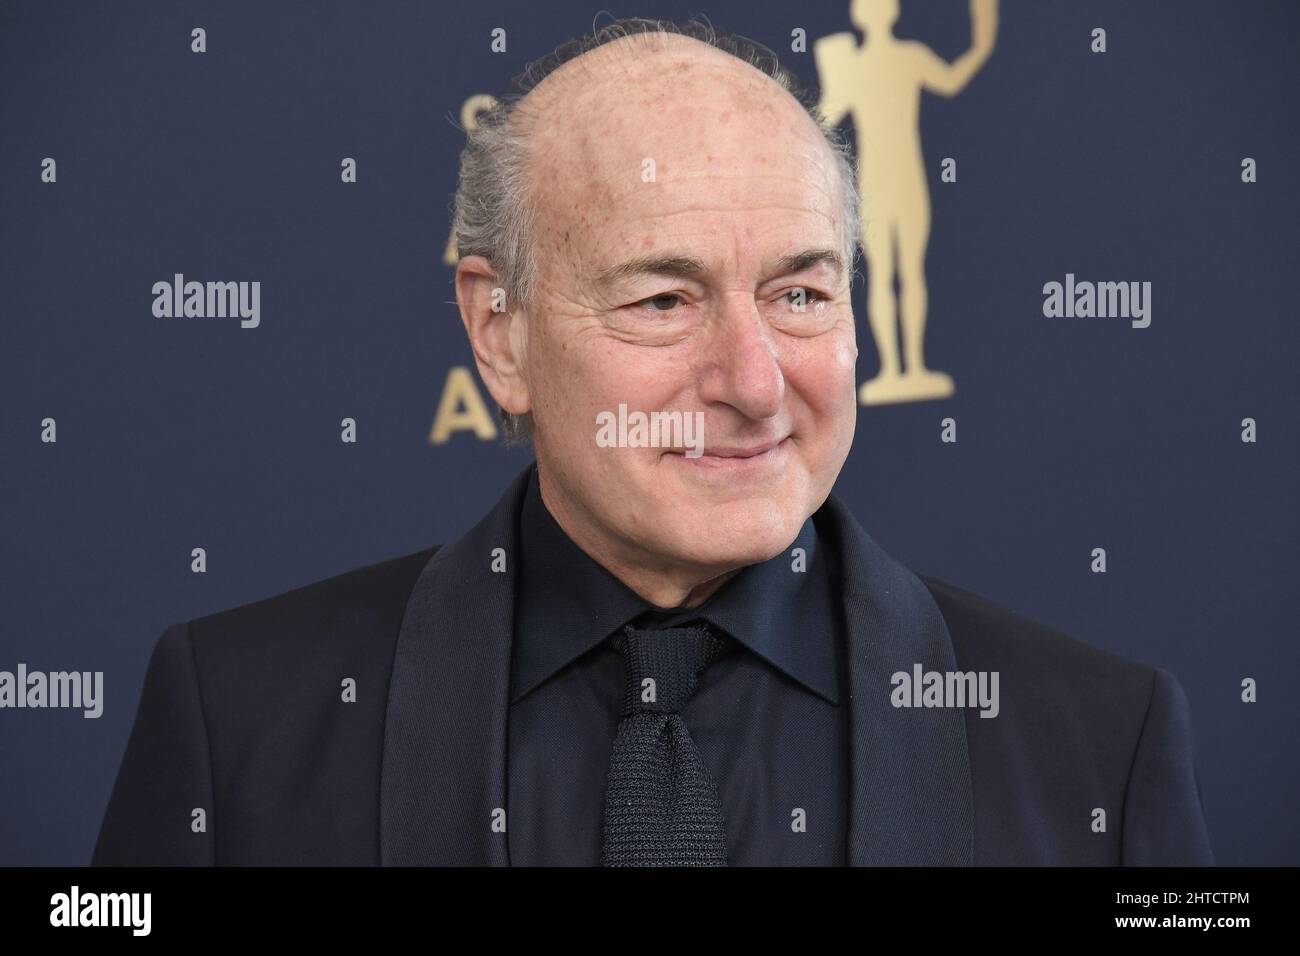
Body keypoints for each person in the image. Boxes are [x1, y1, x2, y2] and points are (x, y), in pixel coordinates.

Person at [92, 17, 1213, 867]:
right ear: (501, 331)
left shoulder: (1099, 748)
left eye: (801, 292)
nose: (754, 381)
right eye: (664, 300)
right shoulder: (237, 722)